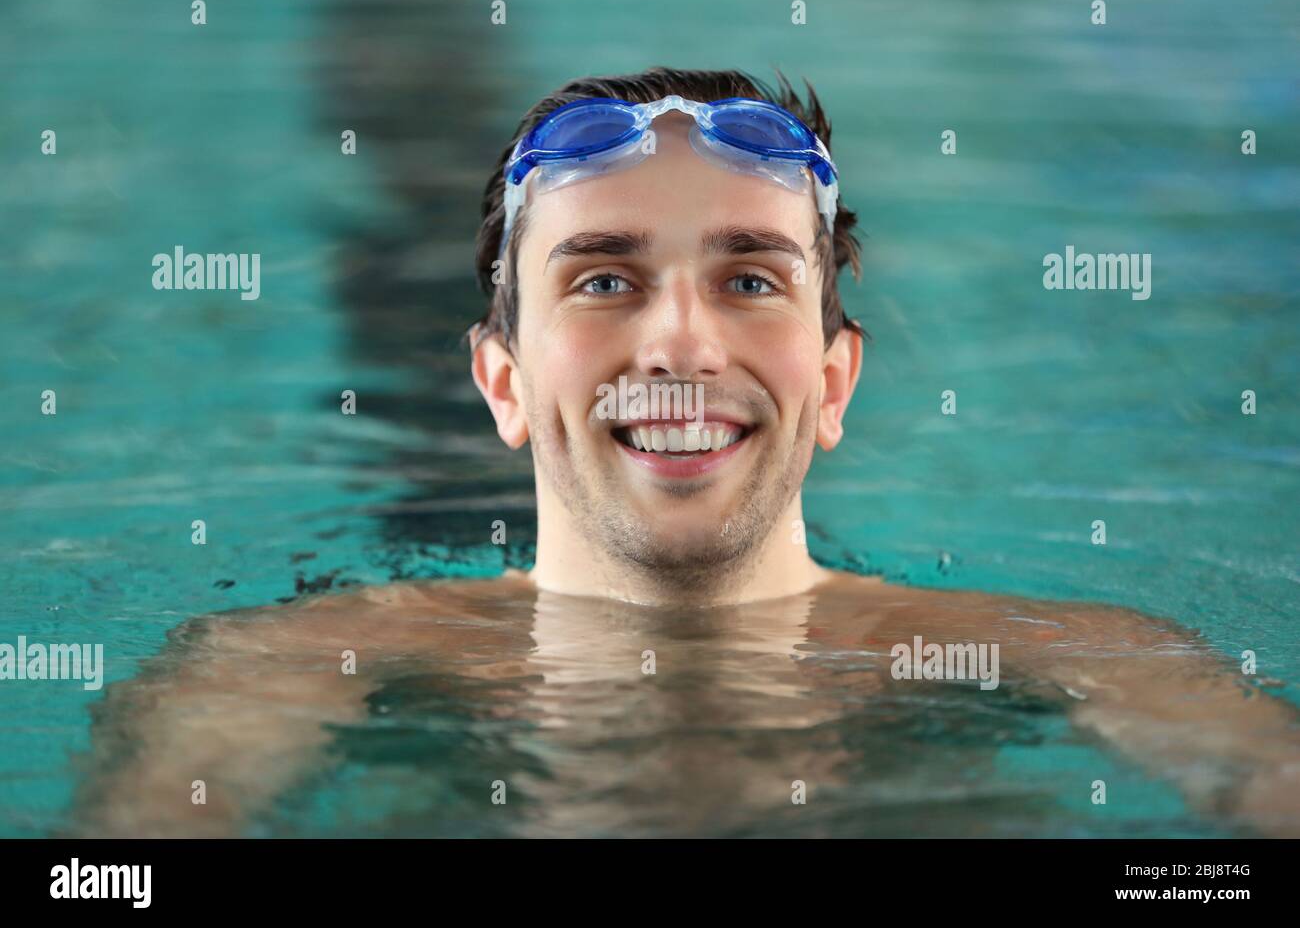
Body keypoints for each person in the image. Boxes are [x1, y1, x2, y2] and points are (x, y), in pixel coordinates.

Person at [74, 68, 1300, 837]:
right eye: (604, 276)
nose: (679, 341)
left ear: (831, 381)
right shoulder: (291, 662)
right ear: (502, 381)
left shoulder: (1079, 656)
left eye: (750, 278)